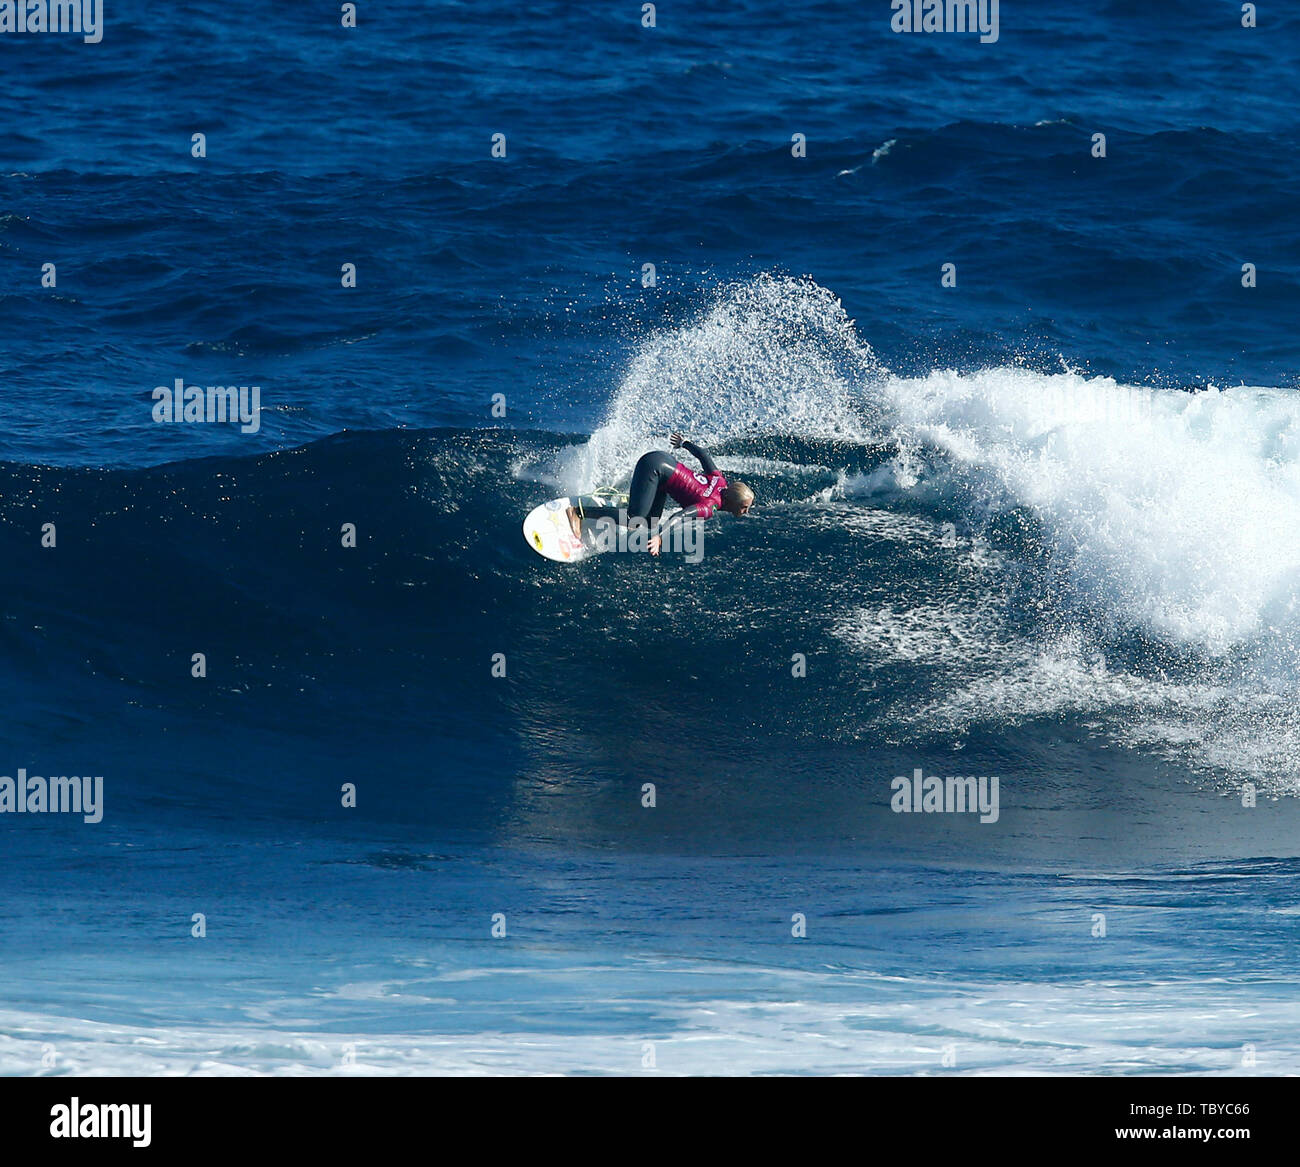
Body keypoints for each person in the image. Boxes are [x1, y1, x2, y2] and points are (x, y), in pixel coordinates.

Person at [567, 432, 754, 555]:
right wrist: (660, 537)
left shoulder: (720, 481)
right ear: (731, 500)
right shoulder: (709, 506)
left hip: (664, 466)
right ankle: (578, 512)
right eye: (744, 507)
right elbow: (679, 516)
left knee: (650, 522)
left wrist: (684, 443)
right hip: (654, 468)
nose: (746, 511)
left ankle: (633, 501)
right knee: (635, 519)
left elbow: (704, 455)